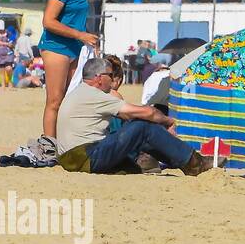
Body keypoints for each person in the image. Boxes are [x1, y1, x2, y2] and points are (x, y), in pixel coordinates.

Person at [55, 57, 208, 175]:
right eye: (110, 75)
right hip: (86, 157)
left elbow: (128, 117)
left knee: (137, 127)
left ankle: (182, 161)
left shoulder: (79, 92)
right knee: (143, 127)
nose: (113, 79)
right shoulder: (95, 95)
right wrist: (168, 121)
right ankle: (194, 163)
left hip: (71, 159)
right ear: (99, 78)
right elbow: (148, 112)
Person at [40, 0, 99, 141]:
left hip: (76, 48)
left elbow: (75, 20)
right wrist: (80, 35)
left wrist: (88, 37)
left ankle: (66, 142)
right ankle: (49, 146)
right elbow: (48, 21)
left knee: (71, 100)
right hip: (56, 48)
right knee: (55, 101)